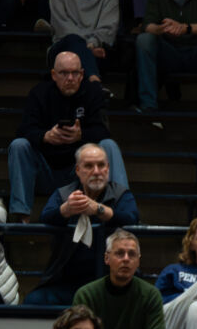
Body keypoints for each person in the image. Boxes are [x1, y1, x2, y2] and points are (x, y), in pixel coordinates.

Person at [9, 50, 127, 221]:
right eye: (64, 73)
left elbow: (103, 131)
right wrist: (46, 136)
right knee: (19, 145)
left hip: (79, 174)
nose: (70, 78)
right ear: (54, 75)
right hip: (45, 172)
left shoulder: (92, 92)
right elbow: (23, 130)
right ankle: (21, 216)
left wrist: (81, 135)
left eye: (74, 73)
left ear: (82, 74)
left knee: (109, 145)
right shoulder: (39, 93)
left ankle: (121, 210)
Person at [30, 141, 139, 306]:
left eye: (101, 165)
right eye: (89, 166)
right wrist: (66, 209)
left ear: (108, 168)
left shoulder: (121, 194)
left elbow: (131, 218)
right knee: (33, 301)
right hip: (67, 280)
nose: (96, 171)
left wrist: (98, 209)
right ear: (78, 170)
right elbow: (44, 218)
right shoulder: (64, 194)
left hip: (110, 280)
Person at [47, 0, 119, 82]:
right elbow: (63, 28)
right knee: (73, 39)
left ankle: (92, 82)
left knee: (97, 54)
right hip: (63, 50)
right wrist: (88, 49)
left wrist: (90, 46)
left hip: (97, 49)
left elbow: (107, 29)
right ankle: (94, 81)